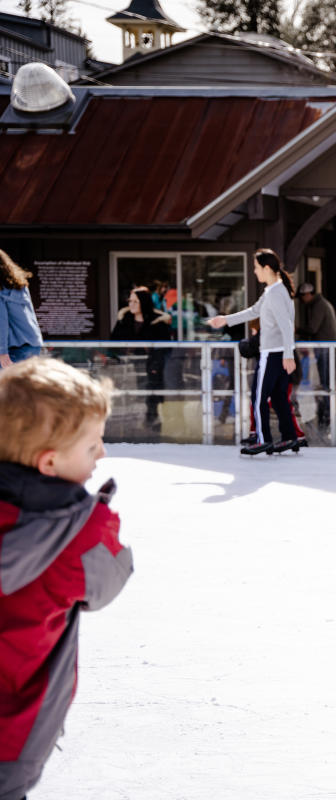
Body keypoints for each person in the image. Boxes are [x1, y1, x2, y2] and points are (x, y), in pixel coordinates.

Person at [0, 357, 133, 800]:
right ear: (50, 462)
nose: (102, 454)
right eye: (92, 446)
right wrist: (96, 518)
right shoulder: (76, 536)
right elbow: (106, 584)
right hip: (11, 738)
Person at [206, 248, 300, 456]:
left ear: (266, 268)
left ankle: (263, 439)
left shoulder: (275, 293)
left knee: (258, 397)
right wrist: (226, 320)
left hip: (272, 353)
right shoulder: (275, 290)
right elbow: (254, 311)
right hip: (279, 353)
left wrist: (288, 354)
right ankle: (289, 437)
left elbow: (286, 326)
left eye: (256, 268)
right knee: (278, 398)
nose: (255, 272)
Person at [110, 286, 173, 430]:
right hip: (128, 365)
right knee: (132, 393)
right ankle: (132, 424)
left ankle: (152, 419)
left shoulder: (157, 321)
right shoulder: (125, 320)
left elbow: (165, 346)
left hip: (152, 365)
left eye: (135, 302)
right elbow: (114, 341)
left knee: (150, 391)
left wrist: (152, 352)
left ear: (143, 303)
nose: (131, 304)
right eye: (130, 301)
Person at [296, 282, 336, 431]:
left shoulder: (319, 305)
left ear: (308, 294)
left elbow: (313, 328)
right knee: (327, 383)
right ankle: (331, 415)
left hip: (326, 350)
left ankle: (328, 416)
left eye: (302, 297)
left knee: (326, 384)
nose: (302, 301)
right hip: (326, 350)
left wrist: (297, 330)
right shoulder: (321, 303)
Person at [0, 249, 43, 369]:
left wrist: (2, 352)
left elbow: (1, 322)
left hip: (13, 349)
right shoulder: (19, 285)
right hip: (32, 344)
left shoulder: (1, 291)